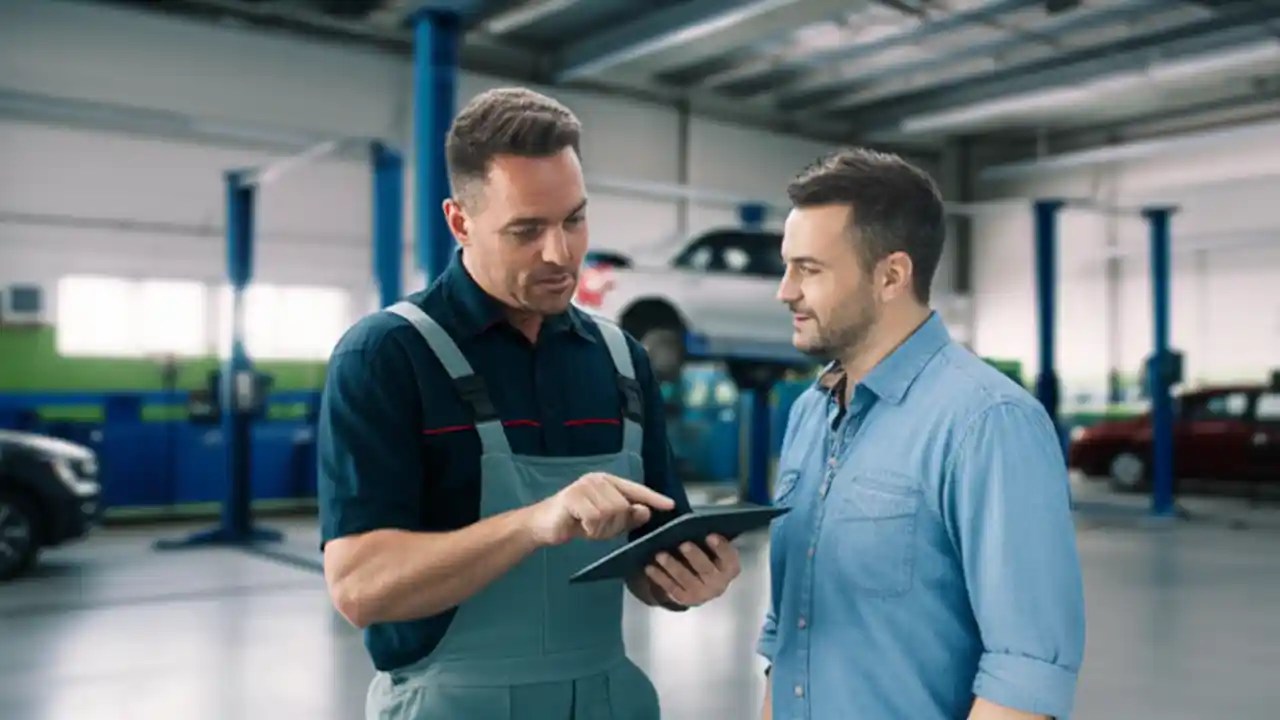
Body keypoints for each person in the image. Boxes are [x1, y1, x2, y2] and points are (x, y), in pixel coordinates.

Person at [317, 87, 742, 720]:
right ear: (460, 221)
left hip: (608, 700)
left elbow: (652, 559)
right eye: (526, 230)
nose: (560, 253)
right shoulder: (386, 357)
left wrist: (686, 581)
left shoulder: (621, 360)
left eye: (574, 220)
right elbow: (359, 588)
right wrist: (532, 524)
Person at [757, 148, 1086, 720]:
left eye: (808, 269)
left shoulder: (989, 423)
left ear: (891, 275)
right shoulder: (810, 414)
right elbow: (785, 632)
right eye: (787, 266)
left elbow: (1024, 673)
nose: (785, 291)